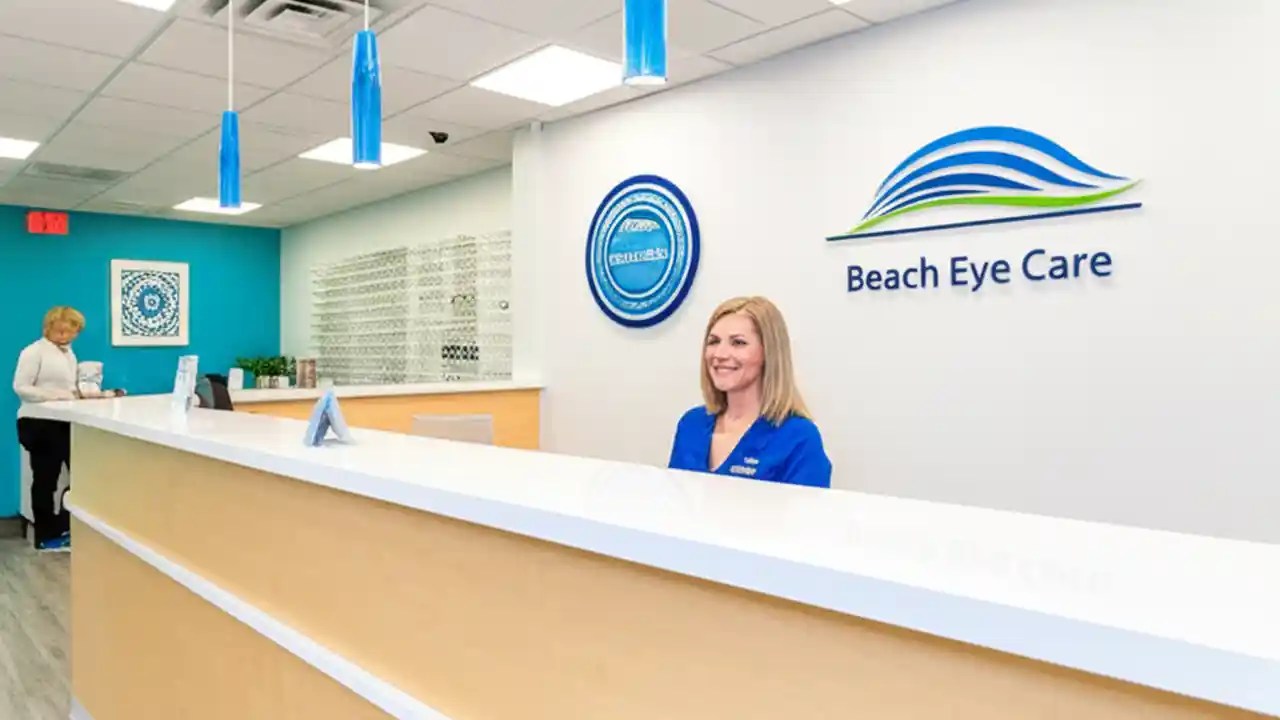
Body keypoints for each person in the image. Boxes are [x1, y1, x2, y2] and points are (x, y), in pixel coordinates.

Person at [668, 296, 832, 488]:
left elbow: (808, 516)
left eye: (738, 343)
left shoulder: (798, 437)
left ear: (768, 353)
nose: (720, 354)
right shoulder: (691, 425)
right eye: (713, 342)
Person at [12, 307, 121, 551]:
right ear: (48, 327)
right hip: (37, 423)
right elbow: (21, 387)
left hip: (61, 422)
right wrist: (60, 396)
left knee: (81, 473)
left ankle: (66, 526)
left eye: (71, 332)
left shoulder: (69, 354)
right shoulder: (33, 352)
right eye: (61, 331)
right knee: (45, 480)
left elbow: (70, 388)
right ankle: (45, 535)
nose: (65, 336)